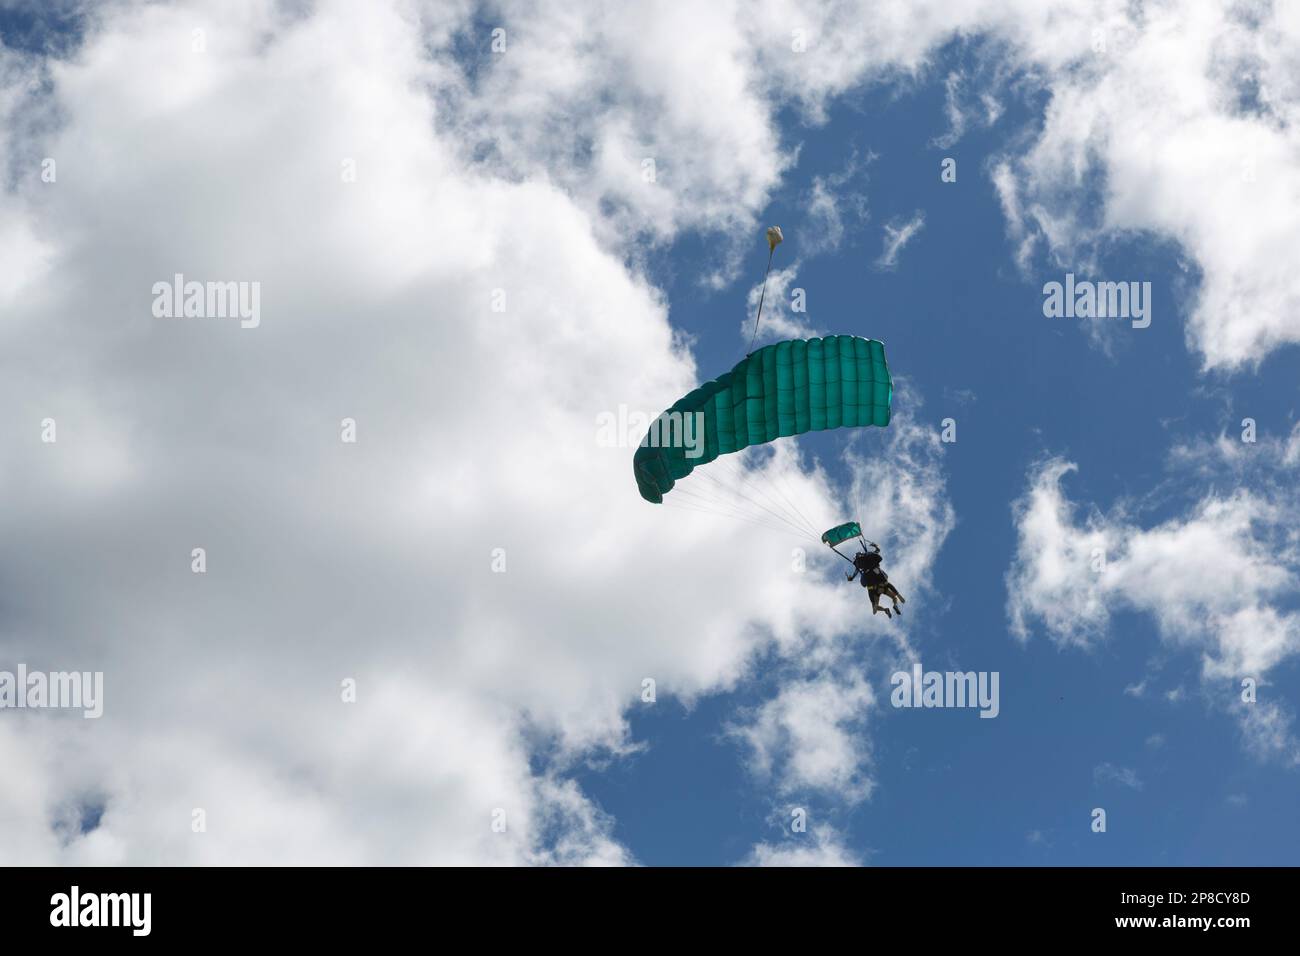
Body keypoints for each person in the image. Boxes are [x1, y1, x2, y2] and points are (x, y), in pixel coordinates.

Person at [846, 542, 905, 619]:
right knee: (893, 596)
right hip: (881, 584)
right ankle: (895, 604)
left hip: (873, 588)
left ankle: (885, 610)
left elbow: (856, 572)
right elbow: (877, 551)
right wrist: (876, 546)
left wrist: (851, 578)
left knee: (874, 610)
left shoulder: (859, 563)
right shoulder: (868, 556)